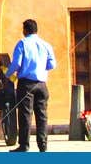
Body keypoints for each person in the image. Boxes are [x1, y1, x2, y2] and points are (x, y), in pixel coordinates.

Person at [7, 18, 56, 153]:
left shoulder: (22, 43)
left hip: (26, 84)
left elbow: (16, 64)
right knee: (42, 115)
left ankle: (24, 145)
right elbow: (52, 64)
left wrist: (7, 75)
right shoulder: (46, 45)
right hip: (42, 84)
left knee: (25, 115)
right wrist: (40, 68)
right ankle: (43, 145)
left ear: (25, 30)